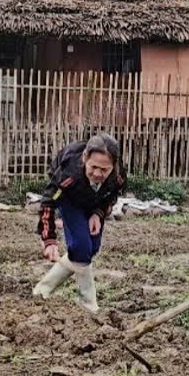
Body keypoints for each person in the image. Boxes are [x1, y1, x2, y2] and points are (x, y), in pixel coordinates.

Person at [32, 133, 125, 313]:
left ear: (114, 166)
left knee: (91, 247)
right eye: (94, 167)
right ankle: (89, 305)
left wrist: (98, 214)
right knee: (81, 247)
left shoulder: (117, 176)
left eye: (105, 170)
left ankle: (41, 290)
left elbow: (112, 196)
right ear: (84, 158)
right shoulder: (68, 175)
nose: (98, 173)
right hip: (70, 199)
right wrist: (49, 241)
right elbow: (48, 203)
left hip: (94, 200)